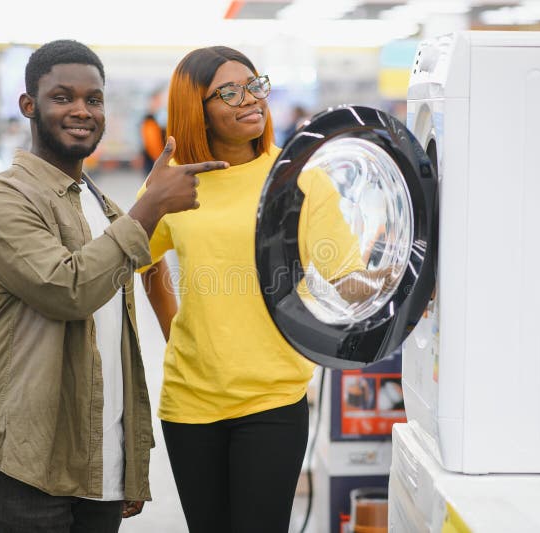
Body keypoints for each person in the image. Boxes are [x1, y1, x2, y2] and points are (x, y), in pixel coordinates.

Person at [0, 39, 227, 532]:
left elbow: (114, 338)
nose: (82, 110)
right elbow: (68, 291)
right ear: (29, 105)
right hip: (23, 470)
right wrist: (149, 209)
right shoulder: (4, 200)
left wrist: (125, 464)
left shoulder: (100, 205)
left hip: (96, 469)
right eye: (63, 97)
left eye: (94, 99)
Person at [138, 46, 392, 533]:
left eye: (255, 85)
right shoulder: (177, 185)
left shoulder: (299, 181)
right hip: (189, 401)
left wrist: (401, 279)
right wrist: (179, 334)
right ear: (198, 109)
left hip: (272, 398)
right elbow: (143, 259)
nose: (250, 99)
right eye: (229, 92)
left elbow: (346, 279)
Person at [139, 88, 166, 175]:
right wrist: (161, 160)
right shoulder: (149, 120)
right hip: (154, 161)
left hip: (155, 160)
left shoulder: (156, 118)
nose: (160, 103)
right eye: (157, 100)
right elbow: (152, 144)